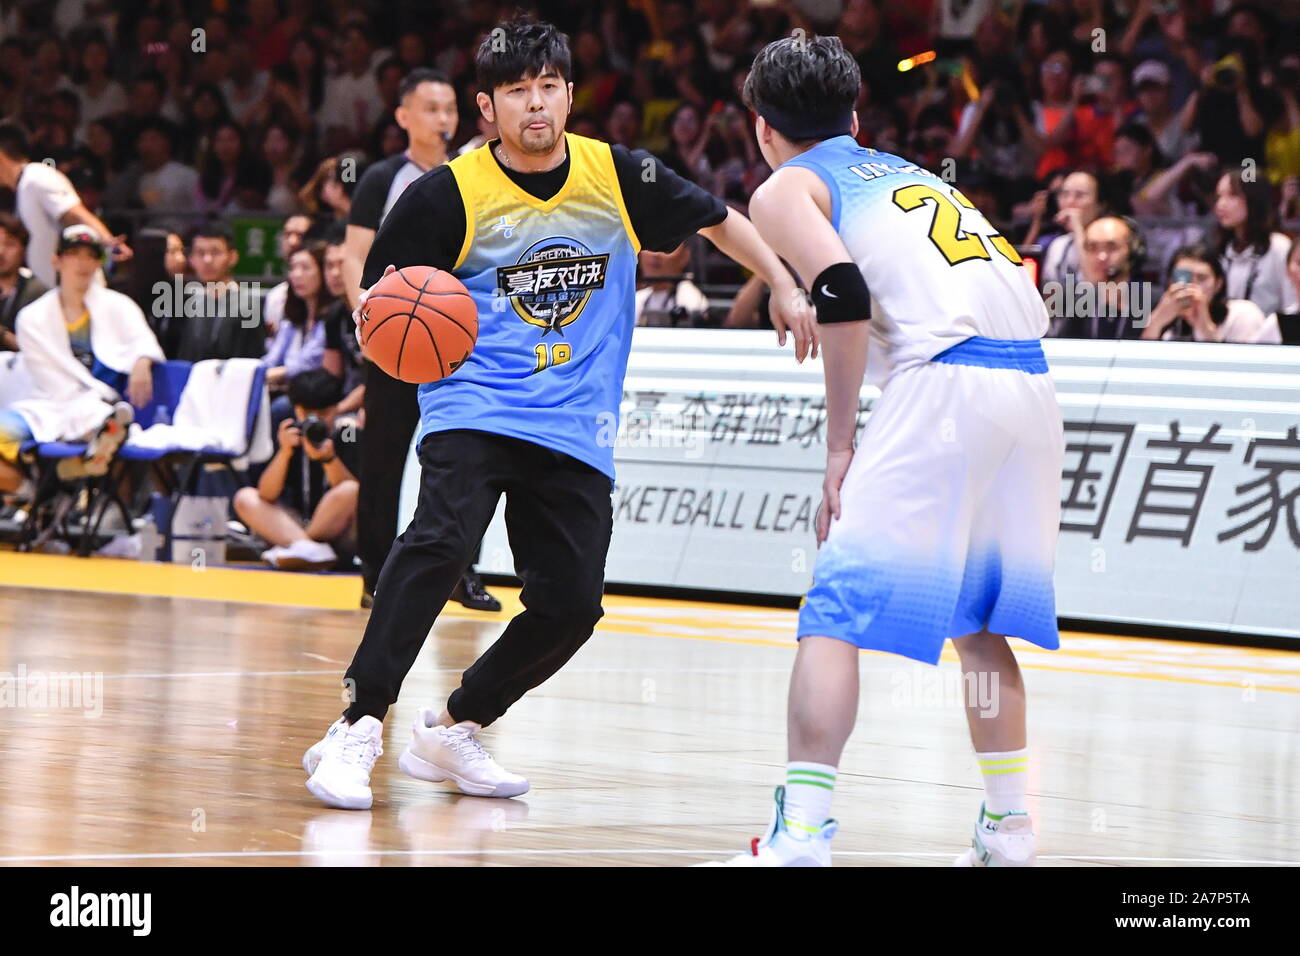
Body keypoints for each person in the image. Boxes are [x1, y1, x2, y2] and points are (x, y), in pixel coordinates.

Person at [303, 17, 813, 811]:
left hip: (577, 421)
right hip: (474, 404)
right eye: (516, 92)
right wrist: (396, 328)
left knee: (572, 604)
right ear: (487, 108)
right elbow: (381, 296)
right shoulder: (449, 195)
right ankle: (359, 723)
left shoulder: (620, 175)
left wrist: (782, 283)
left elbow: (719, 218)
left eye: (548, 88)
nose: (534, 105)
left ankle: (456, 727)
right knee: (439, 541)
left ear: (570, 96)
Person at [703, 35, 1062, 867]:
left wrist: (840, 449)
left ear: (762, 128)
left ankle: (800, 836)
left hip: (945, 385)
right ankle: (1009, 828)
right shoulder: (908, 170)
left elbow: (842, 291)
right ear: (855, 116)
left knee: (833, 614)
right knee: (978, 624)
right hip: (1030, 384)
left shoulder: (788, 185)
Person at [341, 68, 499, 611]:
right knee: (383, 459)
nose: (444, 119)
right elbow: (353, 256)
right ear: (403, 116)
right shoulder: (382, 177)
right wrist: (366, 321)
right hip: (396, 337)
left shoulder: (478, 174)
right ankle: (373, 574)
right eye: (431, 109)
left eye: (450, 109)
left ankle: (463, 571)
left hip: (460, 343)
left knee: (466, 462)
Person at [0, 226, 162, 497]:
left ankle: (93, 476)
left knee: (113, 426)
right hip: (47, 407)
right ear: (57, 260)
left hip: (108, 406)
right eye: (74, 254)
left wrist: (143, 361)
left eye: (90, 256)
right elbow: (51, 383)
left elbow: (144, 342)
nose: (82, 263)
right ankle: (32, 493)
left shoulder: (120, 305)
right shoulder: (32, 317)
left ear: (99, 262)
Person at [233, 368, 360, 571]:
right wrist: (284, 452)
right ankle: (310, 550)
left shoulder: (348, 433)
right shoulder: (289, 431)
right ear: (296, 409)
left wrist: (329, 459)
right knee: (245, 497)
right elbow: (267, 494)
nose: (314, 420)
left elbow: (350, 497)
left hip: (337, 529)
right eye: (307, 414)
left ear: (337, 408)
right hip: (295, 524)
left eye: (323, 414)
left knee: (350, 490)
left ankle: (305, 549)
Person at [0, 122, 130, 288]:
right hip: (52, 296)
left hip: (78, 293)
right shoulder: (23, 187)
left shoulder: (37, 177)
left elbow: (73, 213)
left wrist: (110, 243)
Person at [161, 222, 264, 363]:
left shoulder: (250, 304)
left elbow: (253, 359)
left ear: (232, 257)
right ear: (191, 259)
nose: (207, 260)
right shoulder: (183, 302)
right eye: (200, 253)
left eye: (216, 252)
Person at [1142, 243, 1280, 343]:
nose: (1192, 285)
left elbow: (1239, 372)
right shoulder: (1164, 316)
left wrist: (1204, 326)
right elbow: (1141, 367)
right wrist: (1156, 322)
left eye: (1201, 278)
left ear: (1218, 284)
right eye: (1183, 277)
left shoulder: (1242, 314)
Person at [1211, 171, 1293, 318]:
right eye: (1219, 197)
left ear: (1254, 198)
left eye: (1232, 195)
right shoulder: (1221, 249)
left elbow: (1291, 307)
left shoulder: (1279, 247)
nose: (1220, 204)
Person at [0, 212, 49, 351]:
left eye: (9, 244)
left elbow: (40, 351)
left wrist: (2, 334)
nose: (1, 251)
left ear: (24, 251)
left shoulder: (37, 293)